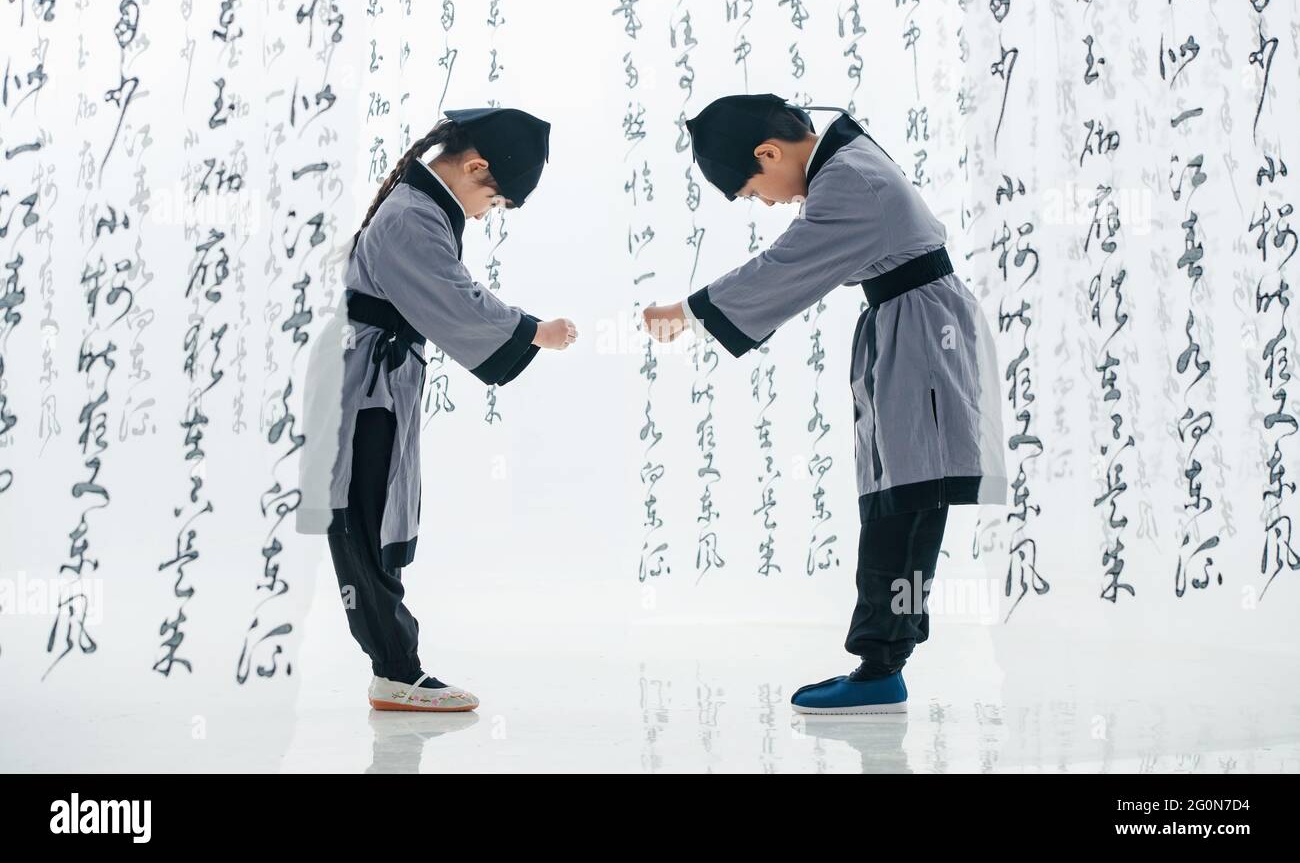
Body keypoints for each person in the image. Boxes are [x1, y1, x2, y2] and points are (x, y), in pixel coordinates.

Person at [644, 93, 1006, 715]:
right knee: (901, 498)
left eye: (754, 190)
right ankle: (881, 664)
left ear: (769, 152)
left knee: (909, 504)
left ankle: (881, 668)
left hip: (922, 335)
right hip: (912, 327)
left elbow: (785, 265)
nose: (767, 202)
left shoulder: (849, 181)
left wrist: (687, 313)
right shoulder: (845, 161)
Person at [298, 107, 577, 712]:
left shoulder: (417, 207)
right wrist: (535, 330)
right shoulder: (410, 216)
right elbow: (455, 297)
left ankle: (395, 668)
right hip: (363, 387)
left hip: (376, 381)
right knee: (363, 520)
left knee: (379, 517)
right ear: (476, 168)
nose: (487, 213)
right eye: (494, 201)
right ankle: (395, 671)